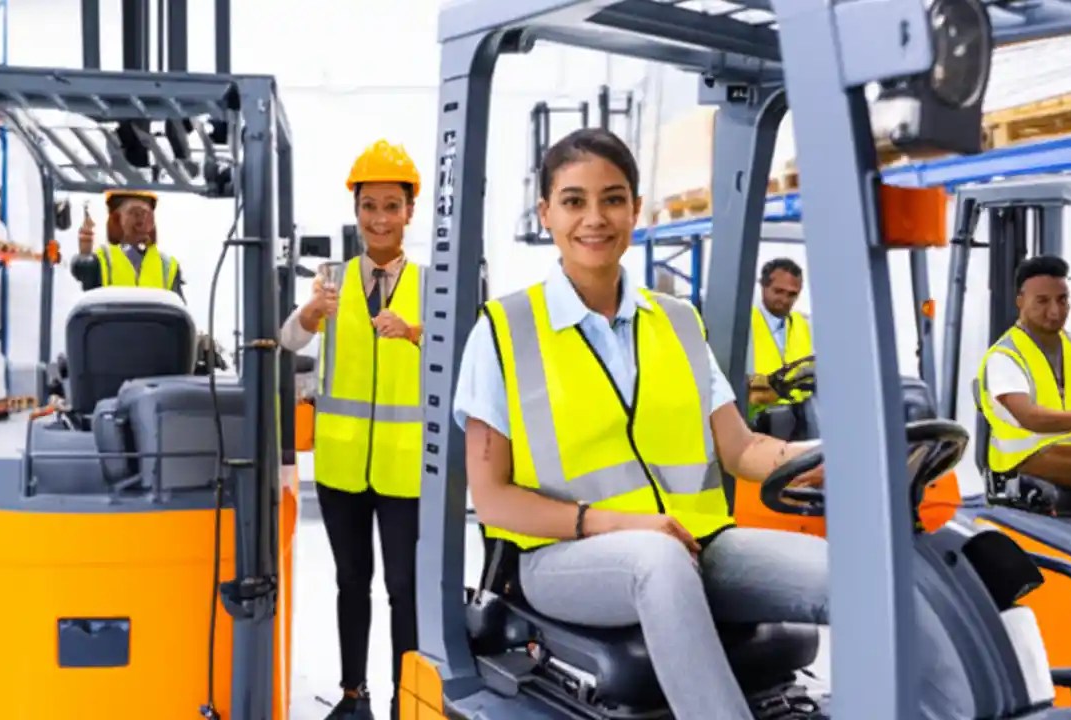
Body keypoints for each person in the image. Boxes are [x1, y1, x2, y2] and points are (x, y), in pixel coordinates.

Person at [452, 127, 971, 719]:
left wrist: (852, 452)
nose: (594, 218)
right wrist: (619, 523)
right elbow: (492, 501)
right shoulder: (504, 331)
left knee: (863, 574)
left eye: (612, 198)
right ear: (546, 212)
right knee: (656, 560)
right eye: (574, 200)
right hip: (562, 558)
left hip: (700, 544)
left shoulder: (677, 322)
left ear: (634, 208)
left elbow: (743, 448)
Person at [278, 139, 426, 720]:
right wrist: (309, 315)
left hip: (404, 467)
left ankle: (407, 701)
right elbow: (290, 340)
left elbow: (465, 351)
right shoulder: (333, 280)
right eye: (369, 206)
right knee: (350, 583)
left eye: (391, 205)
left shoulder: (431, 281)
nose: (380, 218)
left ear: (409, 211)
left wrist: (414, 333)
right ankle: (352, 695)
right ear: (356, 210)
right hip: (341, 464)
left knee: (405, 590)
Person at [977, 255, 1071, 497]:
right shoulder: (1005, 357)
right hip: (1025, 458)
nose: (1055, 311)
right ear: (1020, 301)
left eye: (1062, 300)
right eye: (1042, 301)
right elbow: (1030, 417)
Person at [71, 190, 186, 299]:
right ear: (116, 220)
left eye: (146, 213)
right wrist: (85, 254)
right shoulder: (101, 260)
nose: (142, 221)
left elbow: (178, 312)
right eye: (134, 213)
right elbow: (83, 270)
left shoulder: (168, 266)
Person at [747, 258, 814, 413]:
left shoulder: (803, 325)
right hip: (755, 421)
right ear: (763, 286)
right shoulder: (743, 323)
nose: (784, 300)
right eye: (778, 291)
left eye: (792, 294)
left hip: (798, 417)